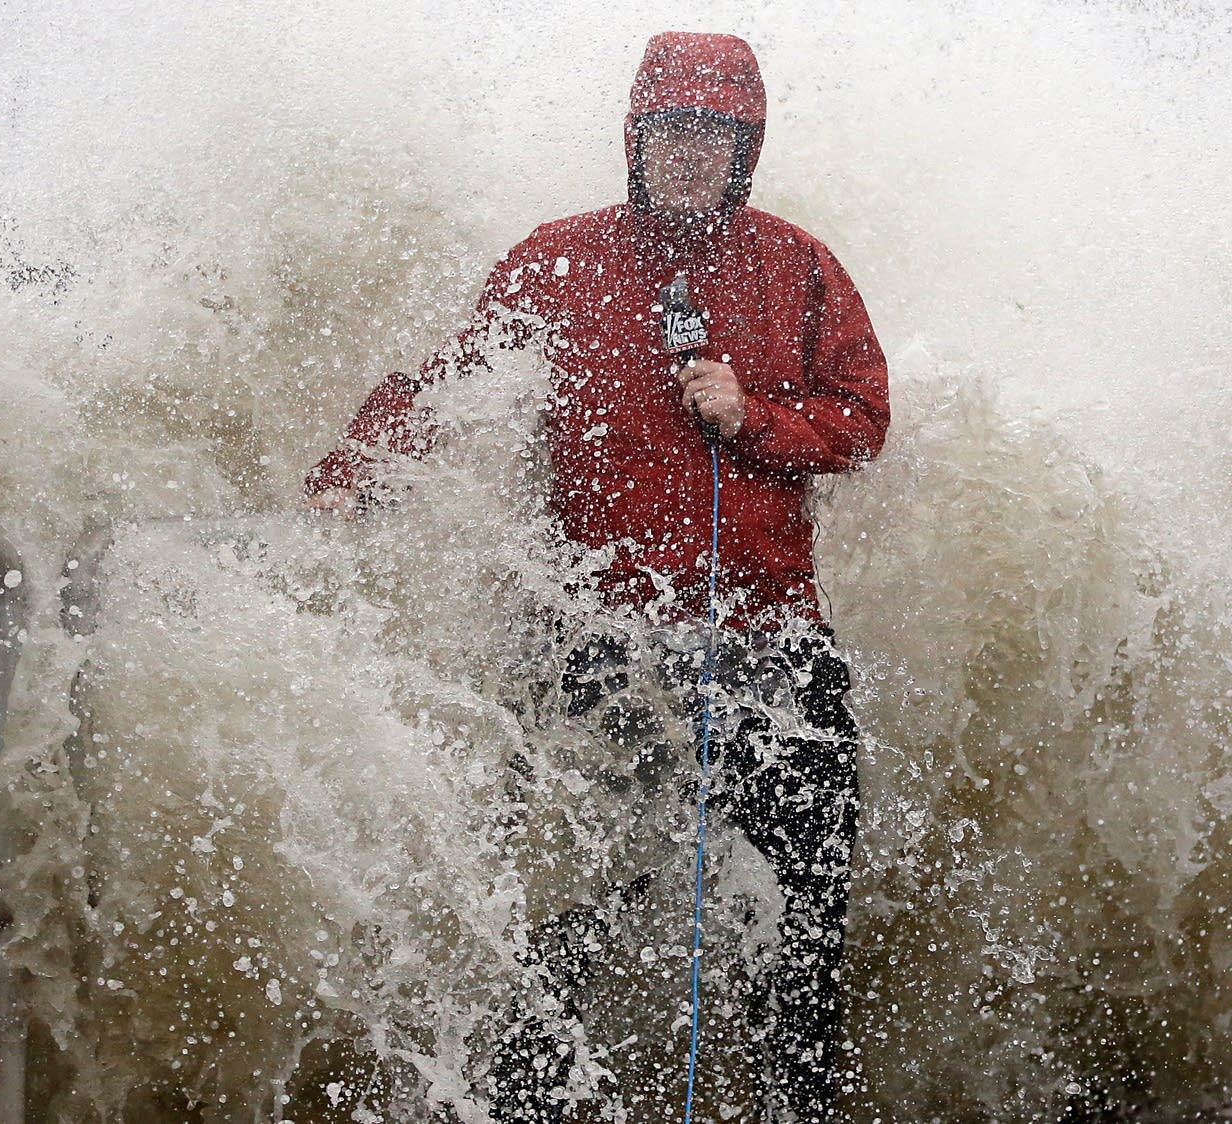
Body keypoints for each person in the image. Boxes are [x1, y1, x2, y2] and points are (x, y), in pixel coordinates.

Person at [304, 30, 889, 1123]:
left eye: (711, 135)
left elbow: (863, 421)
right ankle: (529, 1103)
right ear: (634, 138)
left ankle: (794, 1106)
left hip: (767, 639)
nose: (686, 155)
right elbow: (455, 380)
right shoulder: (555, 257)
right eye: (668, 132)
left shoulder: (799, 263)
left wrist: (751, 415)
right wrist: (355, 469)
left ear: (743, 147)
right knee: (565, 908)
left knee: (807, 916)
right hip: (600, 641)